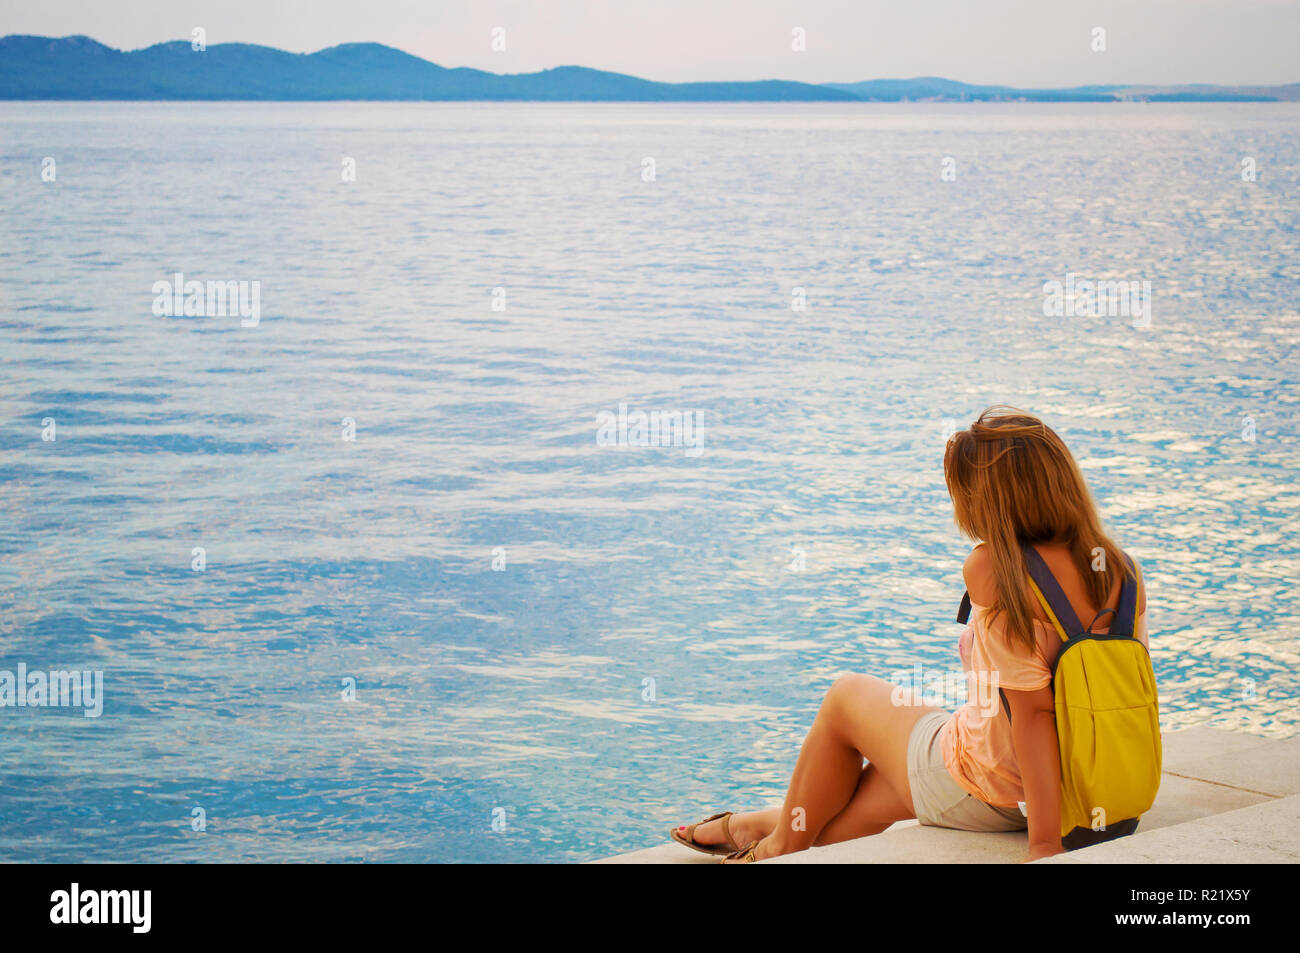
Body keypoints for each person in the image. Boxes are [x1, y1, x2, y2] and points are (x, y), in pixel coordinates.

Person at [670, 406, 1149, 863]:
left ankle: (777, 848)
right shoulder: (1119, 570)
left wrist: (1045, 846)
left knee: (845, 695)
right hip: (1097, 785)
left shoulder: (996, 571)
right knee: (849, 814)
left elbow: (1033, 716)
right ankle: (757, 828)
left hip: (995, 787)